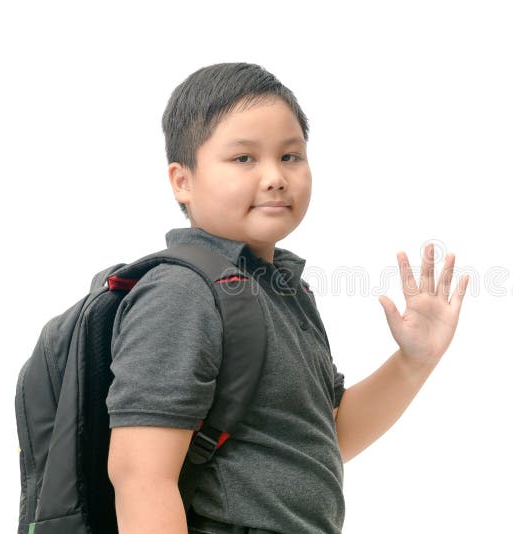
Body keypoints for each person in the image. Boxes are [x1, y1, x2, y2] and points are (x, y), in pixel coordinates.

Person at [105, 62, 470, 534]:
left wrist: (413, 361)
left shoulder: (282, 290)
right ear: (183, 180)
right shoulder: (181, 294)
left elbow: (326, 436)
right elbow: (140, 478)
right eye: (244, 159)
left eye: (291, 156)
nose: (275, 176)